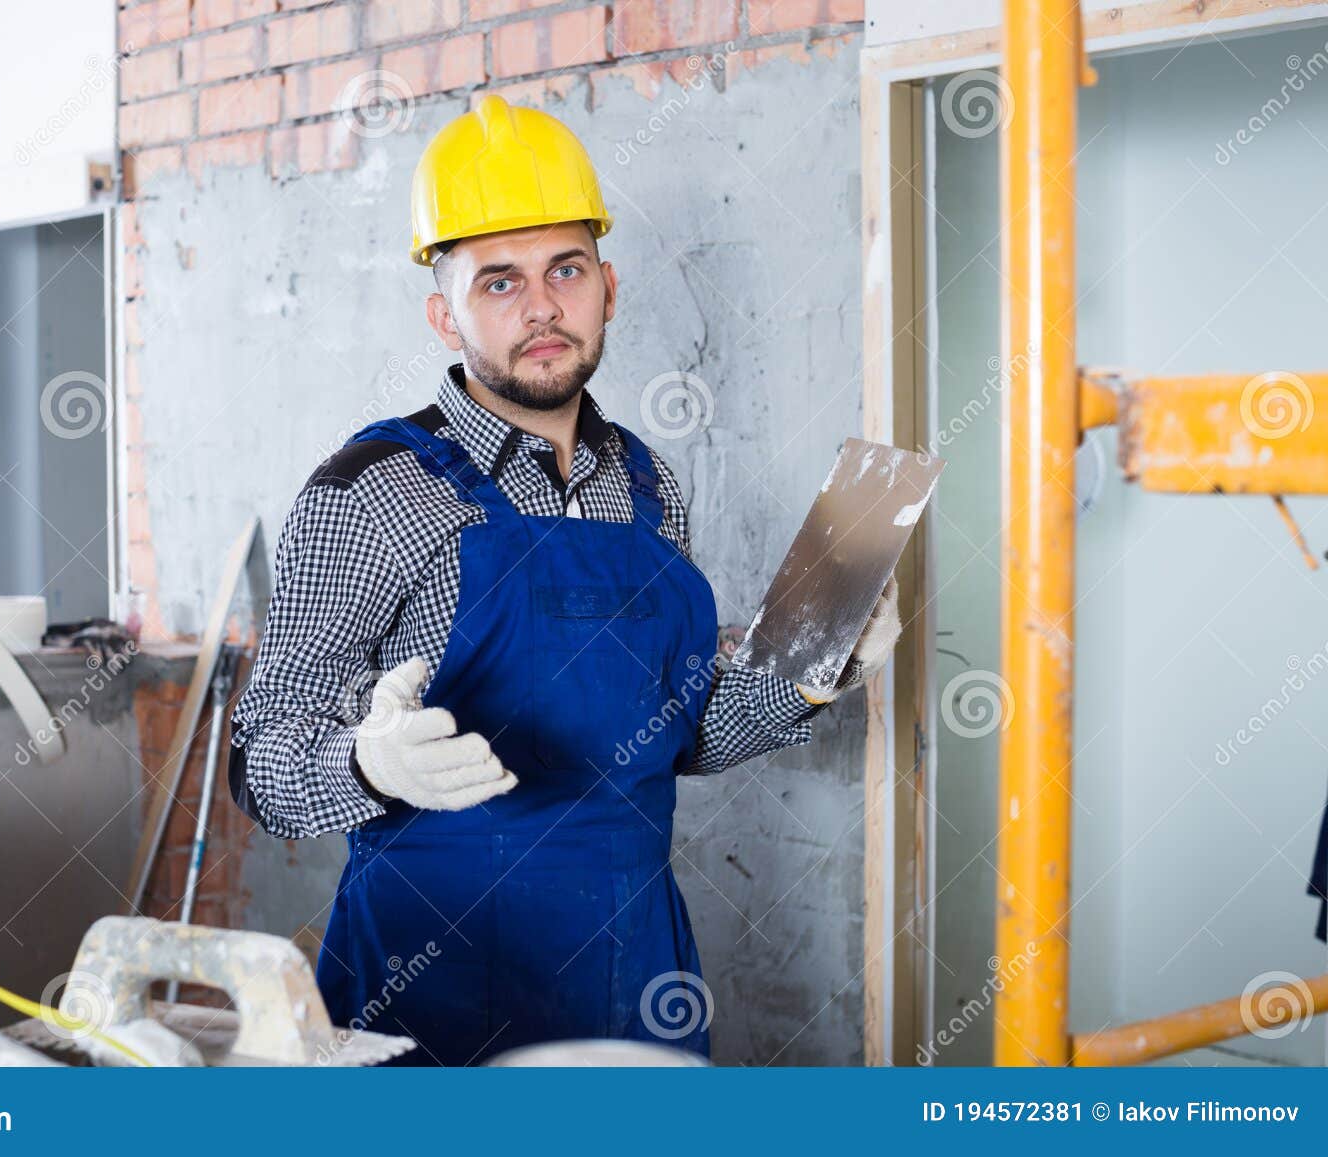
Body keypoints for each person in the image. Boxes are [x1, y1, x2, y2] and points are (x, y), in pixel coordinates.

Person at [228, 95, 900, 1066]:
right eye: (497, 281)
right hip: (429, 986)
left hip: (628, 978)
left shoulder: (646, 486)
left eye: (565, 269)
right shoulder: (374, 491)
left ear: (608, 287)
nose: (541, 307)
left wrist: (806, 672)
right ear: (441, 311)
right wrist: (370, 765)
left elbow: (674, 735)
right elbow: (262, 765)